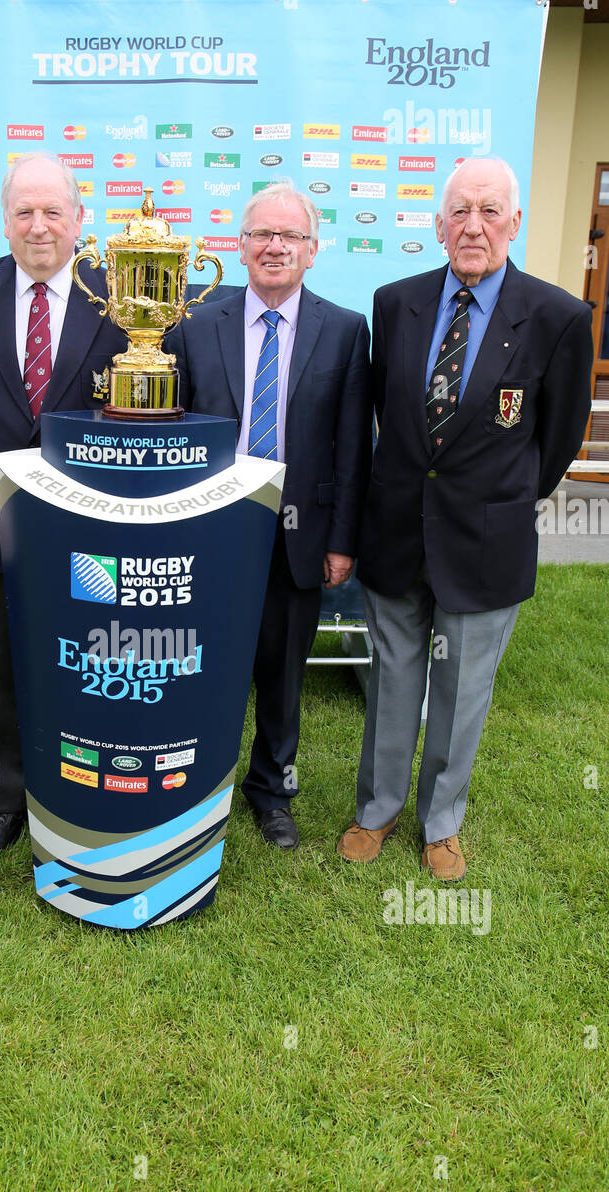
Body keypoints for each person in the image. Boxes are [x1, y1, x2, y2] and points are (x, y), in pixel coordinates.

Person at [337, 156, 593, 881]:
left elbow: (559, 439)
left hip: (486, 540)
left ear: (515, 222)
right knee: (392, 678)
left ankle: (441, 821)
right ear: (438, 223)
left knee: (461, 689)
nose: (472, 225)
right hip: (396, 530)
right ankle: (377, 809)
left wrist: (497, 499)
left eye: (489, 211)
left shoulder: (558, 318)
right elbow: (393, 415)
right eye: (459, 211)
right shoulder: (396, 303)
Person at [172, 179, 371, 849]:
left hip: (299, 535)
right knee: (202, 664)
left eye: (290, 236)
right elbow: (175, 434)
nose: (275, 246)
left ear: (313, 251)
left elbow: (351, 445)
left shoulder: (345, 331)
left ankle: (271, 790)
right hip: (209, 534)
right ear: (240, 246)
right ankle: (198, 783)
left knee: (284, 674)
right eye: (262, 234)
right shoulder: (196, 324)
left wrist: (342, 539)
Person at [0, 153, 125, 858]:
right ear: (5, 219)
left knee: (89, 664)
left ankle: (85, 790)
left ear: (80, 218)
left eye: (54, 211)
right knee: (0, 665)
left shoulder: (122, 294)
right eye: (25, 212)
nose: (39, 226)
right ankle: (9, 796)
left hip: (96, 533)